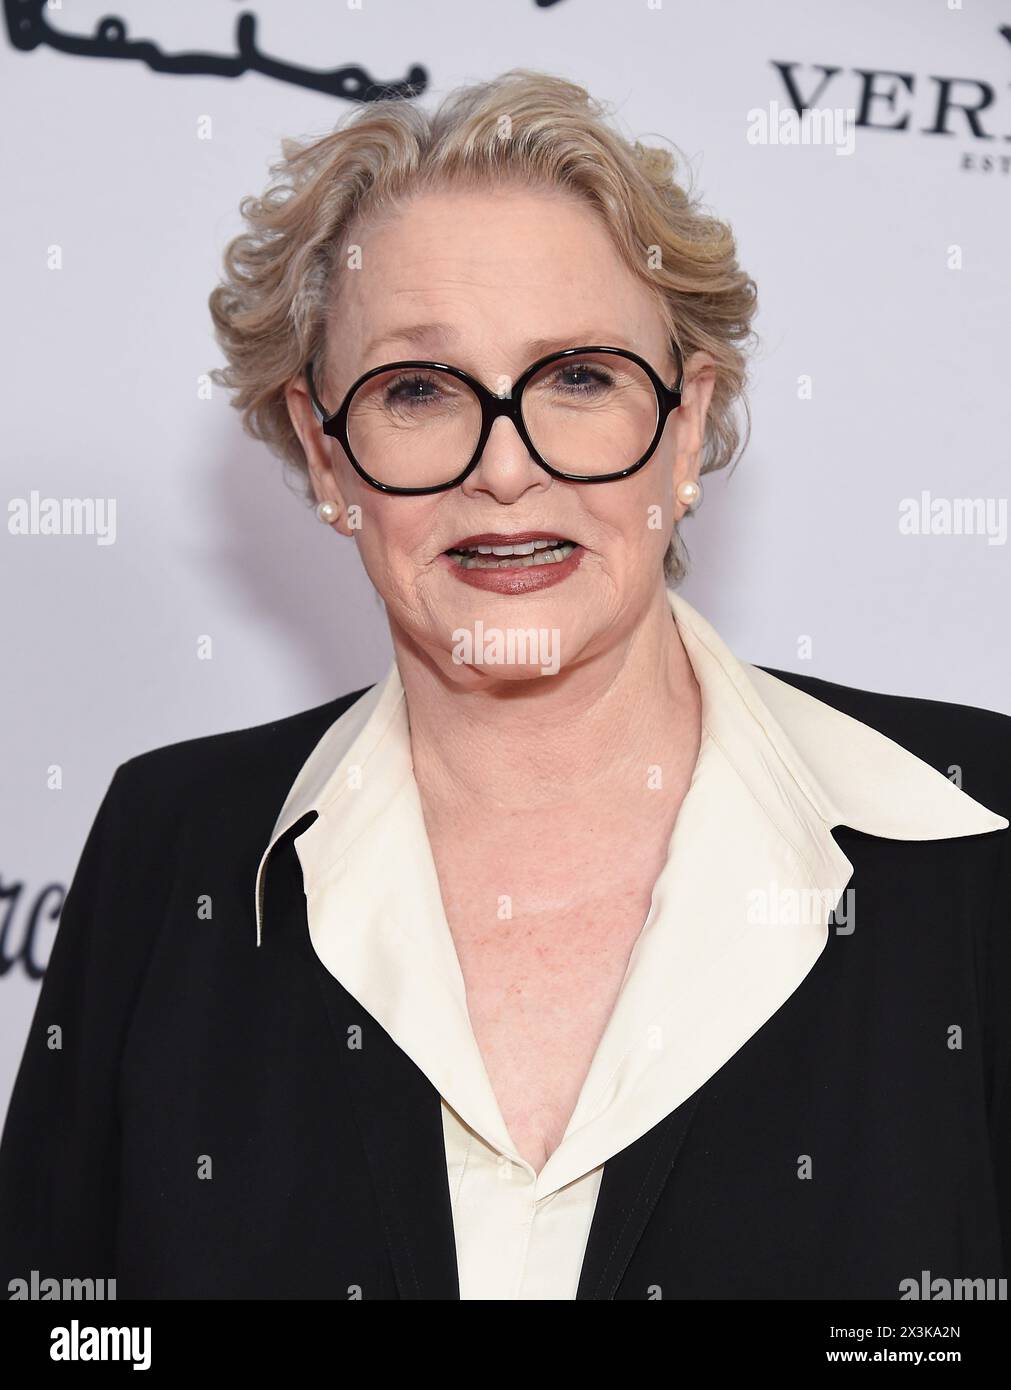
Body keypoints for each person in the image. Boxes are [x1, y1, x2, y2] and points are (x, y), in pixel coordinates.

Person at [2, 69, 1008, 1302]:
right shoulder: (171, 848)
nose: (507, 470)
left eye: (579, 377)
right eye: (417, 391)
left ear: (687, 430)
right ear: (327, 454)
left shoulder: (979, 835)